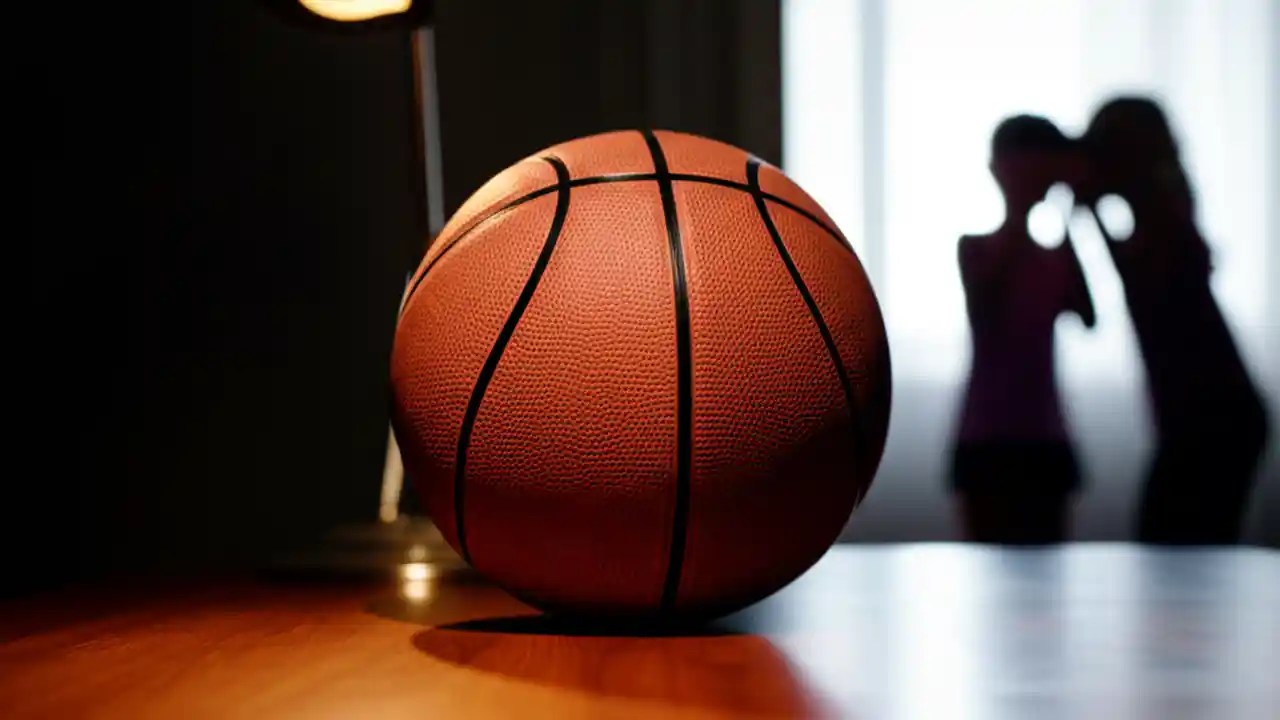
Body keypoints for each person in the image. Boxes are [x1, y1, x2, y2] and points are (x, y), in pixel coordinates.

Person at [1079, 97, 1268, 544]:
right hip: (1207, 413)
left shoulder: (1163, 207)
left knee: (1174, 544)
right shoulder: (1165, 204)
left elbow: (1140, 271)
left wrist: (1089, 205)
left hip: (1211, 414)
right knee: (1185, 549)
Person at [951, 115, 1096, 544]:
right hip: (988, 434)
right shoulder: (974, 247)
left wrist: (1069, 214)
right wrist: (1025, 204)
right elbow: (986, 305)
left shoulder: (1055, 257)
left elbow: (1087, 315)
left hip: (1042, 434)